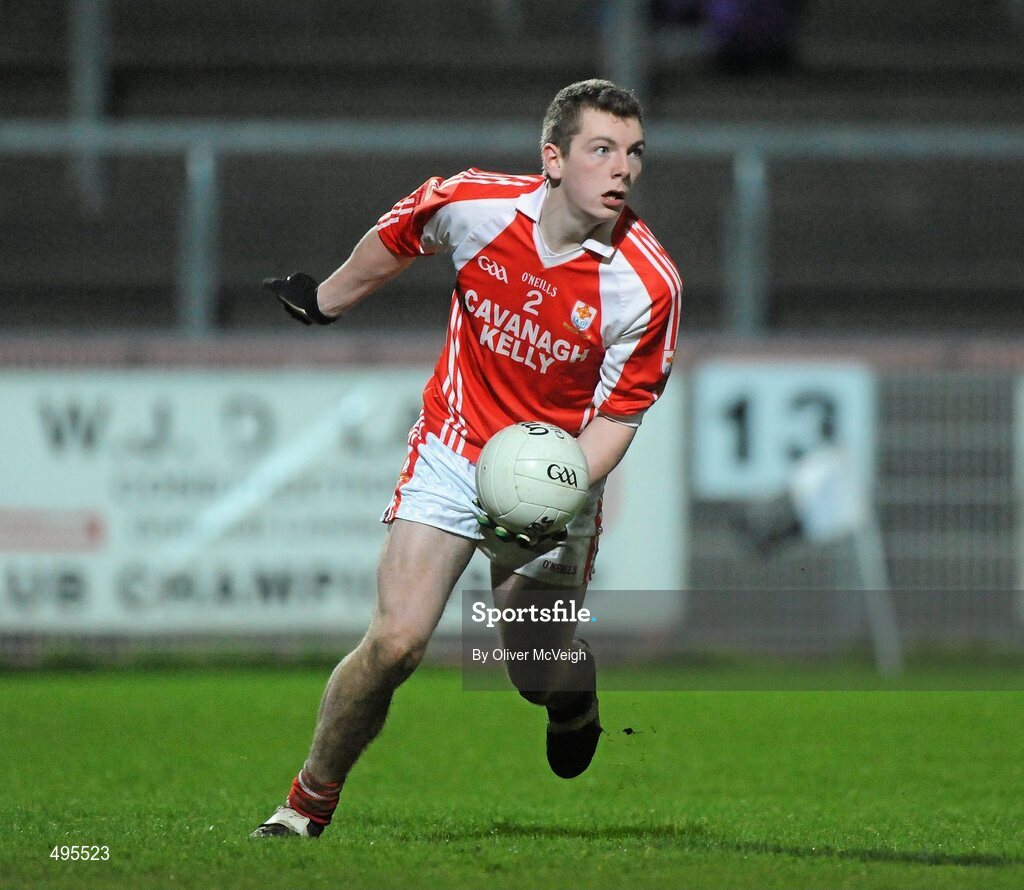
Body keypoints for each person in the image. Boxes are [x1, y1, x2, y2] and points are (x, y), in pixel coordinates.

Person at [251, 79, 682, 839]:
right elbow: (399, 237)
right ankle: (304, 807)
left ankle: (572, 690)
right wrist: (327, 302)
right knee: (396, 640)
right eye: (602, 150)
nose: (624, 169)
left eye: (635, 152)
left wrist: (554, 486)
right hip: (454, 447)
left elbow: (618, 419)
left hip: (555, 478)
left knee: (529, 674)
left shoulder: (645, 283)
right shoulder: (475, 206)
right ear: (552, 158)